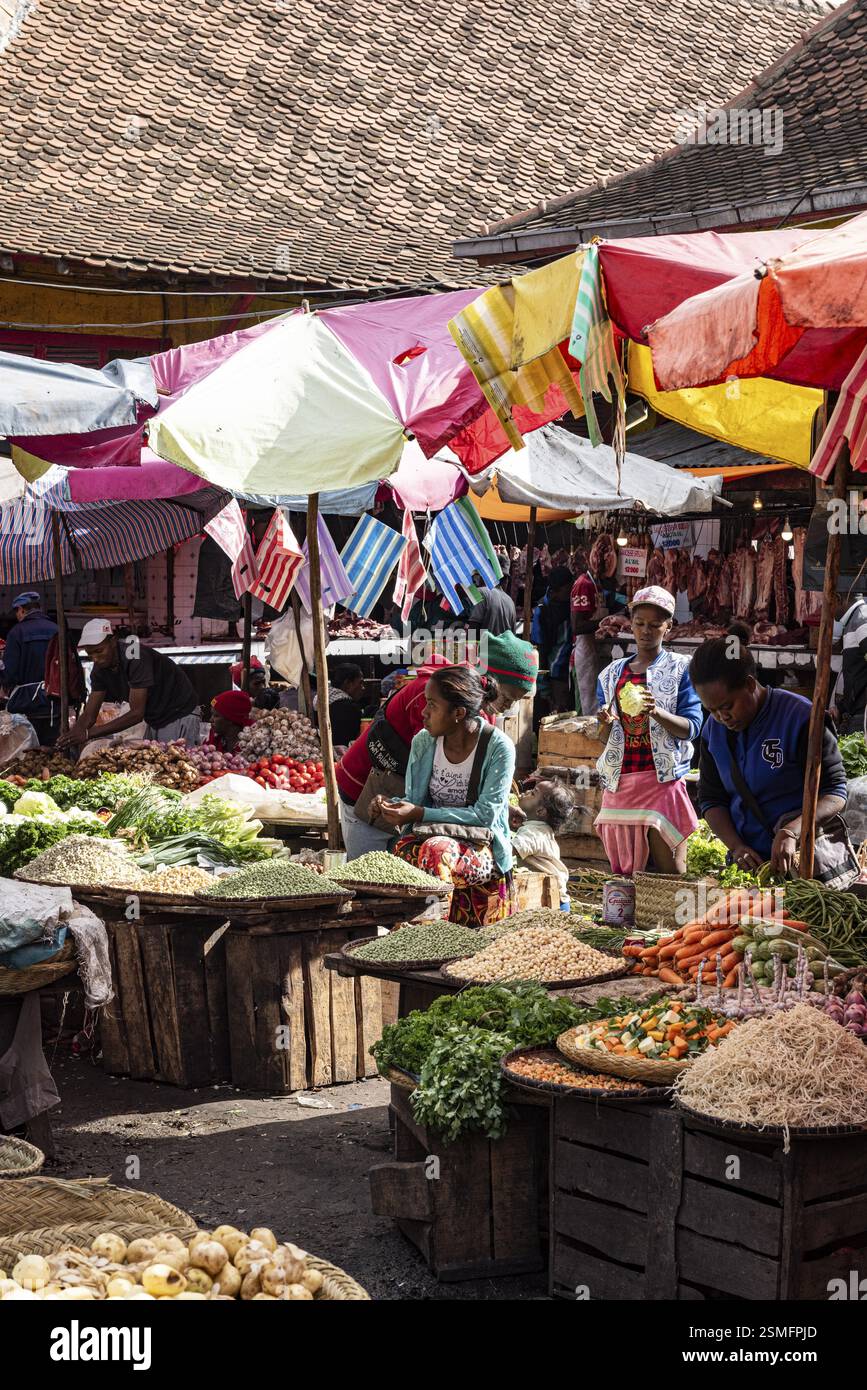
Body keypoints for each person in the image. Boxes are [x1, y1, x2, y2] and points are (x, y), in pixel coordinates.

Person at [335, 632, 539, 860]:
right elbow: (427, 784)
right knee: (371, 873)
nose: (509, 706)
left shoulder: (482, 720)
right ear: (490, 680)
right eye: (508, 697)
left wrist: (494, 804)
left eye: (517, 701)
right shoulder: (437, 700)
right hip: (364, 786)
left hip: (405, 802)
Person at [691, 622, 847, 876]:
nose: (722, 717)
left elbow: (835, 792)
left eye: (727, 706)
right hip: (749, 869)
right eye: (712, 710)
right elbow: (711, 798)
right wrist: (737, 846)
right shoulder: (713, 731)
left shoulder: (801, 717)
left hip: (804, 864)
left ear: (751, 685)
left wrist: (793, 831)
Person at [371, 666, 517, 927]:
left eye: (432, 705)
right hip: (434, 839)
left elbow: (484, 816)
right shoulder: (424, 742)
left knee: (437, 849)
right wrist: (389, 805)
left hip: (481, 846)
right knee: (400, 849)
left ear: (459, 713)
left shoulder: (499, 747)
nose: (423, 713)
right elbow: (414, 800)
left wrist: (419, 813)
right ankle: (411, 931)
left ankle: (433, 931)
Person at [594, 586, 702, 874]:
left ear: (668, 627)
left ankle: (669, 918)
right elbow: (606, 739)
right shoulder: (611, 674)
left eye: (655, 625)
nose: (646, 631)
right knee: (625, 875)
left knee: (670, 872)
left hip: (662, 782)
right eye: (639, 624)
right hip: (622, 782)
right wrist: (604, 723)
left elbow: (691, 728)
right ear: (631, 623)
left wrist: (656, 711)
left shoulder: (682, 669)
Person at [57, 619, 203, 749]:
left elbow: (136, 713)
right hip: (155, 717)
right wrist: (73, 735)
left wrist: (90, 733)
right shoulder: (100, 669)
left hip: (178, 713)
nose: (95, 658)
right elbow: (89, 714)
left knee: (172, 766)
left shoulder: (134, 657)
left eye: (99, 651)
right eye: (90, 654)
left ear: (113, 641)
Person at [1, 591, 59, 746]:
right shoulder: (56, 629)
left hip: (26, 706)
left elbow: (10, 672)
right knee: (52, 751)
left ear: (21, 609)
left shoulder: (17, 632)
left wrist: (5, 685)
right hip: (54, 704)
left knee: (28, 753)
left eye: (17, 612)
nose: (17, 616)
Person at [509, 779, 573, 905]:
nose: (526, 791)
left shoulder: (533, 832)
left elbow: (510, 850)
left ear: (540, 811)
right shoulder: (542, 830)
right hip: (557, 897)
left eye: (533, 793)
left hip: (552, 900)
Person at [532, 566, 574, 714]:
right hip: (556, 673)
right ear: (556, 590)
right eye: (568, 589)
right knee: (559, 714)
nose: (572, 593)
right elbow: (540, 649)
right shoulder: (542, 610)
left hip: (571, 671)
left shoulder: (569, 604)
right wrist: (544, 687)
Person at [570, 557, 603, 716]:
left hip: (593, 649)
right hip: (584, 650)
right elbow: (577, 626)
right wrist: (604, 622)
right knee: (586, 704)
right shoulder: (583, 584)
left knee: (595, 703)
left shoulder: (596, 583)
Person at [831, 592, 867, 734]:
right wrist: (841, 707)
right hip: (856, 712)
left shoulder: (862, 620)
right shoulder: (853, 622)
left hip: (862, 715)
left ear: (838, 598)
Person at [313, 662, 367, 746]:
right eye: (360, 683)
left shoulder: (319, 699)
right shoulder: (350, 708)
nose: (363, 688)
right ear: (348, 684)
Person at [464, 571, 518, 637]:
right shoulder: (510, 600)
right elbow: (513, 635)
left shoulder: (481, 592)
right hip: (502, 647)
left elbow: (474, 627)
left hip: (485, 646)